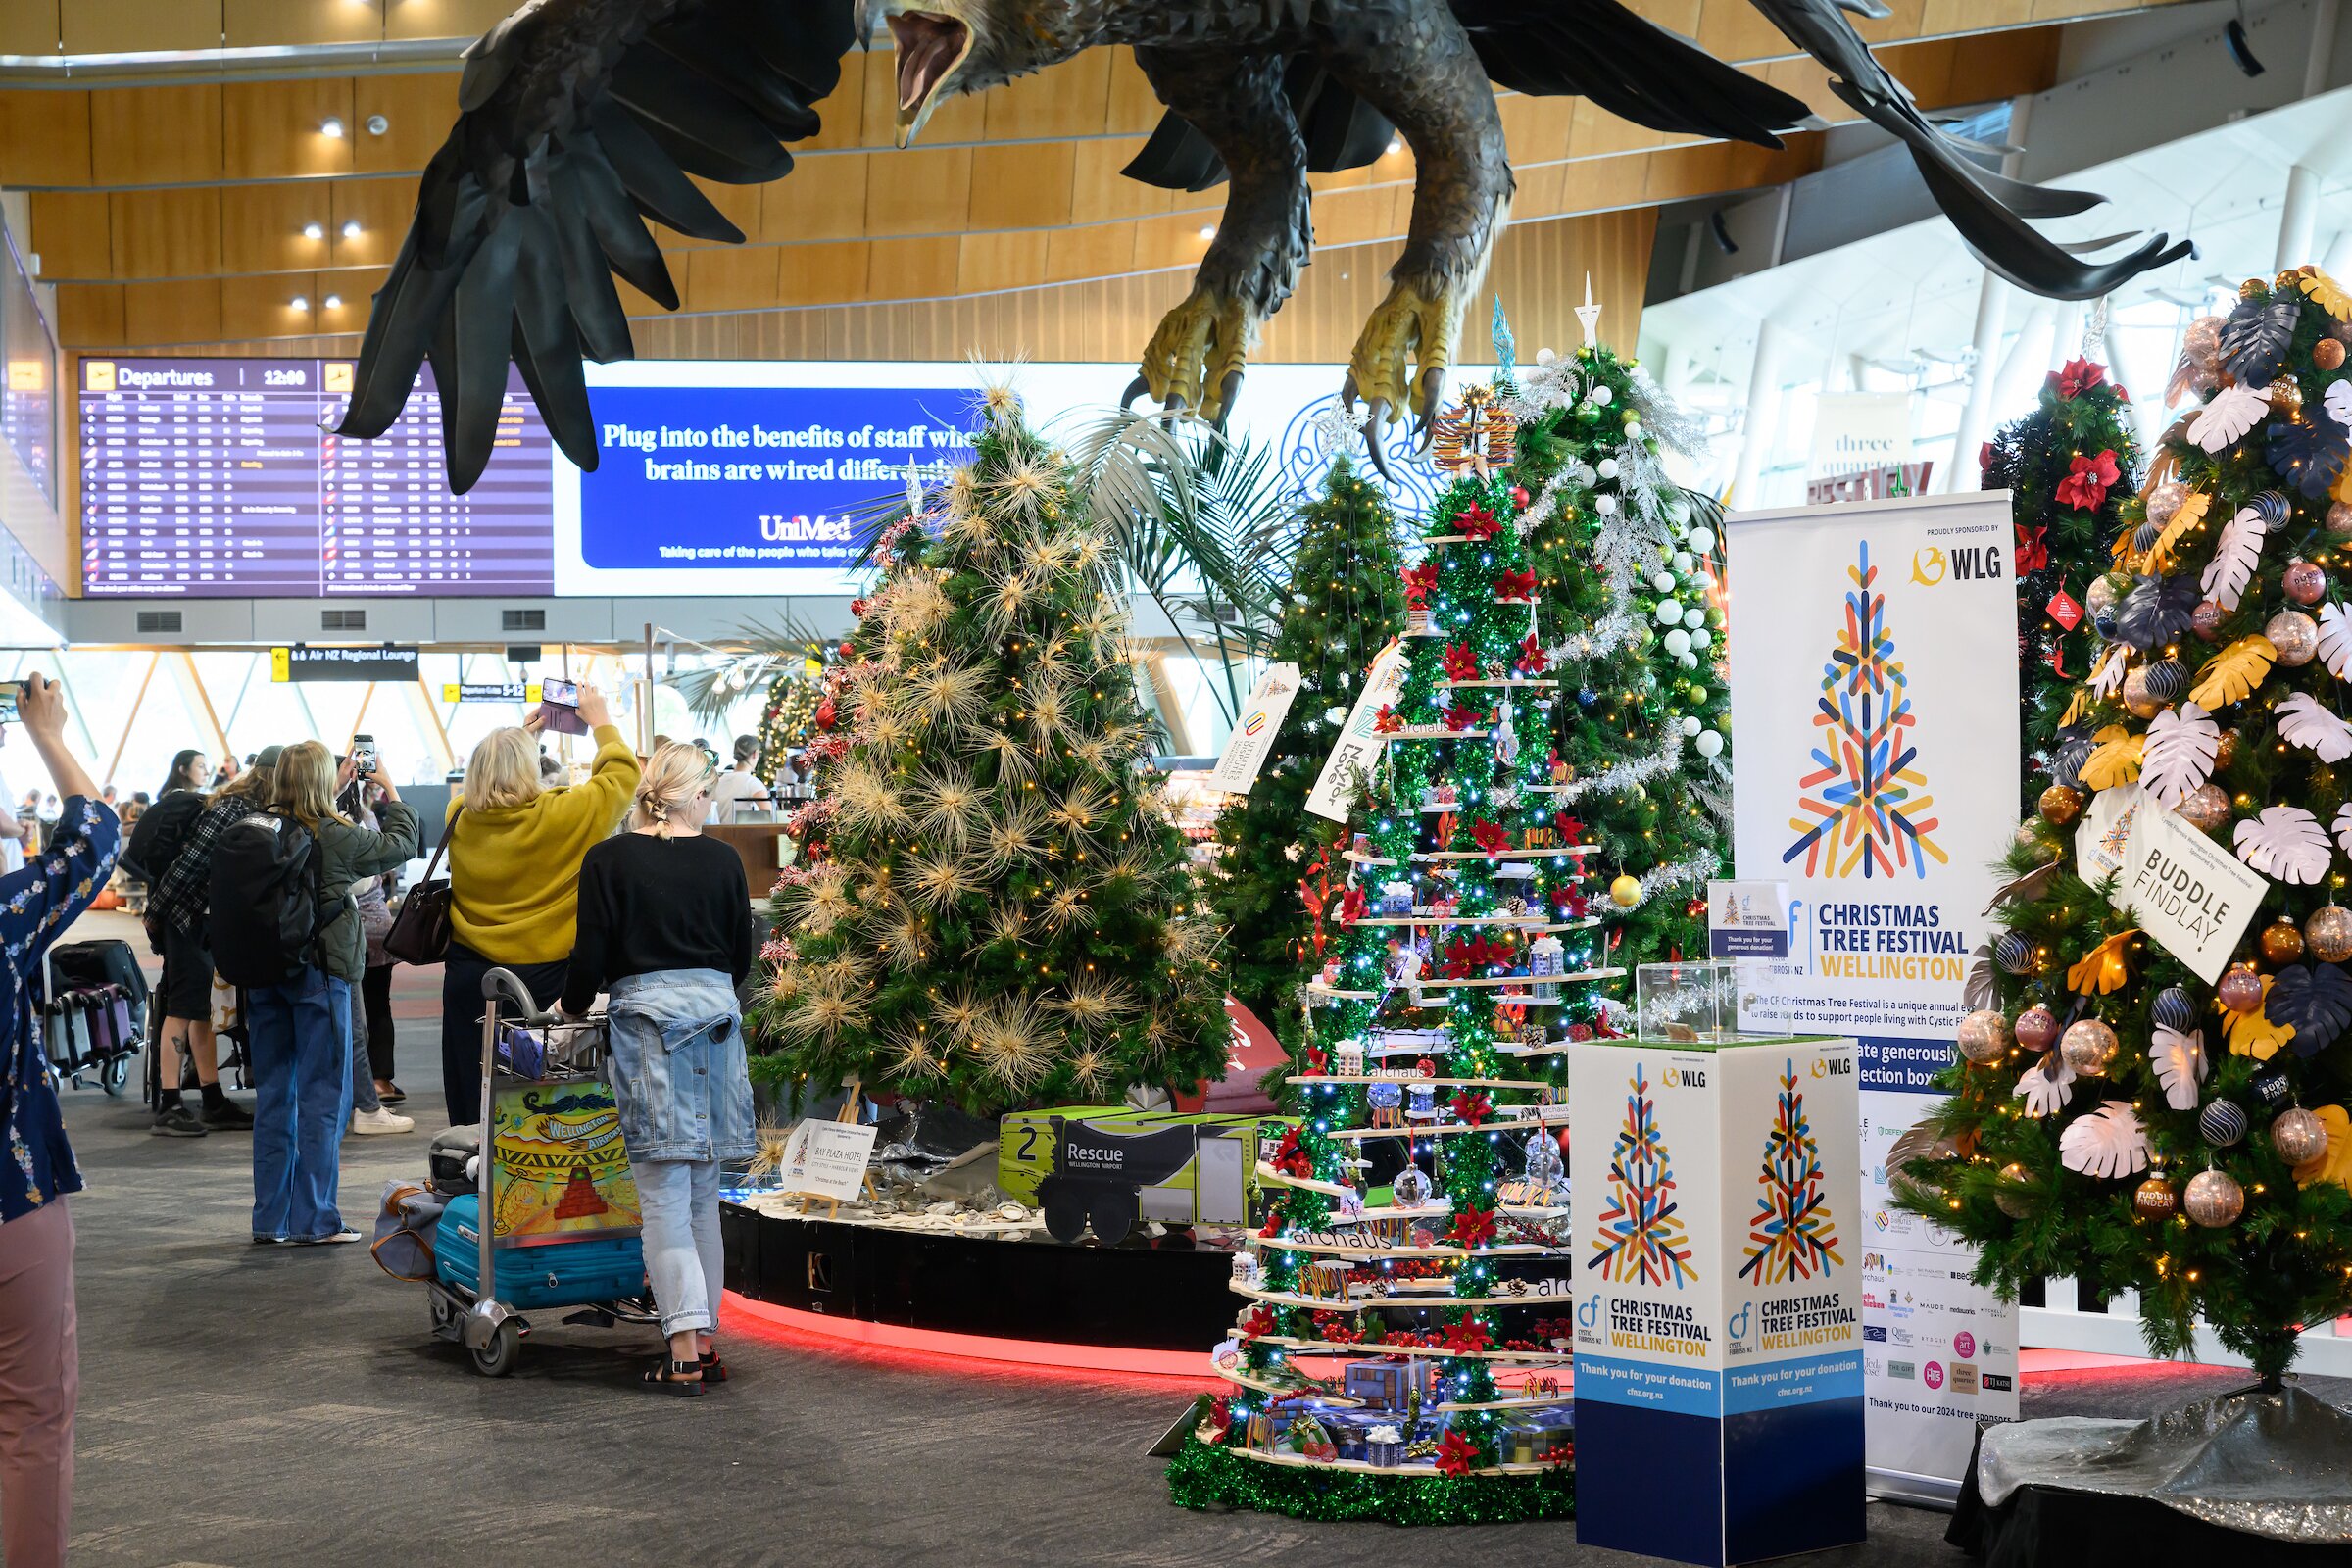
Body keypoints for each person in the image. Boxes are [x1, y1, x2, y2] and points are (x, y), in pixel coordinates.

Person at [561, 743, 756, 1394]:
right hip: (717, 1026)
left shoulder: (608, 860)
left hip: (649, 1031)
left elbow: (587, 965)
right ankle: (703, 1341)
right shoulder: (725, 860)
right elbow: (739, 960)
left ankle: (680, 1353)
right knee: (704, 1195)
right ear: (696, 795)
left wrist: (568, 1011)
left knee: (664, 1199)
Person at [0, 672, 121, 1568]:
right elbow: (95, 836)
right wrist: (44, 731)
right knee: (32, 1413)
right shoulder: (2, 922)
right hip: (13, 1197)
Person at [243, 743, 416, 1245]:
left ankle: (268, 1219)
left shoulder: (256, 829)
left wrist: (333, 789)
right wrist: (388, 785)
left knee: (275, 1096)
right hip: (321, 977)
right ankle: (316, 1220)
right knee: (324, 1098)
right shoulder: (336, 835)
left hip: (265, 976)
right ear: (323, 781)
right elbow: (402, 844)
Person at [441, 684, 638, 1125]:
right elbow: (623, 776)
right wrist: (600, 722)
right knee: (549, 1107)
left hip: (474, 981)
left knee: (477, 1103)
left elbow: (497, 785)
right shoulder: (563, 815)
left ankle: (475, 1184)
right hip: (550, 987)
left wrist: (521, 739)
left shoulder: (459, 815)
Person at [137, 750, 270, 1137]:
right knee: (180, 1010)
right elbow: (188, 866)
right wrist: (156, 914)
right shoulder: (231, 809)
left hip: (201, 922)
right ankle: (169, 1105)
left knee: (200, 1011)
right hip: (187, 920)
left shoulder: (243, 808)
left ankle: (211, 1098)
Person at [337, 772, 411, 1132]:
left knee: (346, 1014)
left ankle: (353, 1089)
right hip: (376, 923)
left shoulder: (324, 819)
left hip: (341, 928)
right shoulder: (365, 817)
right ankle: (380, 1081)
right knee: (378, 1005)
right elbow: (389, 862)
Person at [709, 735, 769, 823]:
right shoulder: (753, 783)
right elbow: (769, 814)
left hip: (719, 834)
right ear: (755, 753)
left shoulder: (720, 781)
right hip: (744, 835)